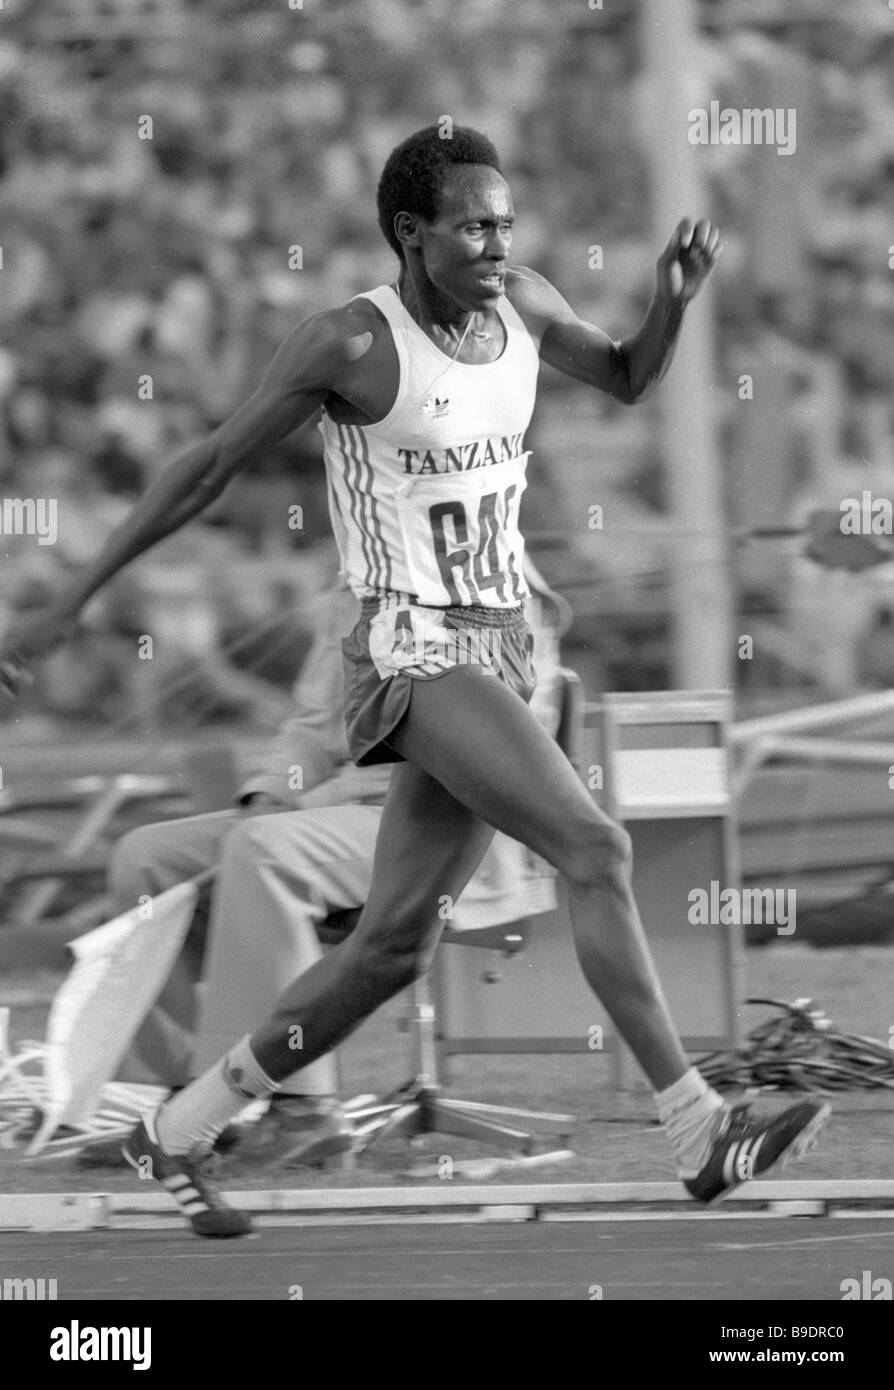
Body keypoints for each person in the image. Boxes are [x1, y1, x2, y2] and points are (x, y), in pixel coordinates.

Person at [0, 126, 828, 1237]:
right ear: (410, 231)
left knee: (391, 950)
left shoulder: (527, 307)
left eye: (505, 223)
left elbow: (628, 377)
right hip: (406, 647)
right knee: (597, 847)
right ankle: (697, 1122)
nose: (498, 242)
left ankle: (180, 1128)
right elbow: (208, 467)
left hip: (498, 650)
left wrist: (672, 305)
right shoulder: (350, 343)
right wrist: (72, 598)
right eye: (474, 224)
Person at [82, 561, 563, 1170]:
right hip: (333, 813)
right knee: (148, 857)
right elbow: (313, 722)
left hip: (449, 823)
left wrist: (300, 810)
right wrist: (269, 798)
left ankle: (302, 1115)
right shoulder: (359, 575)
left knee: (263, 850)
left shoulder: (494, 583)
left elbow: (488, 756)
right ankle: (188, 1105)